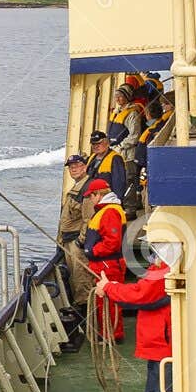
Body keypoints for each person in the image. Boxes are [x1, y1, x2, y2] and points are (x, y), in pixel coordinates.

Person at [95, 250, 173, 392]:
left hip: (165, 348)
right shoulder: (166, 264)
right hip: (159, 347)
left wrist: (108, 288)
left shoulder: (168, 266)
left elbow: (144, 293)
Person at [84, 177, 126, 340]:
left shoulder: (109, 212)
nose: (90, 199)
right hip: (105, 263)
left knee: (109, 300)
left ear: (98, 194)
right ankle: (109, 332)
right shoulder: (108, 210)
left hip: (107, 264)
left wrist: (93, 251)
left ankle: (112, 335)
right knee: (104, 300)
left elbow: (112, 242)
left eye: (91, 196)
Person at [57, 153, 94, 306]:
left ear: (85, 167)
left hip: (76, 242)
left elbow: (88, 219)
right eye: (71, 167)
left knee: (81, 281)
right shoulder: (76, 188)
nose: (74, 170)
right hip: (68, 241)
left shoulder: (86, 189)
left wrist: (80, 241)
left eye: (77, 166)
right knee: (75, 279)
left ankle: (86, 316)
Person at [86, 130, 128, 200]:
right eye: (93, 144)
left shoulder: (115, 158)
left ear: (107, 143)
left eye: (99, 143)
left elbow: (119, 184)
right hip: (92, 198)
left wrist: (116, 201)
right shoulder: (92, 157)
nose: (96, 146)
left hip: (107, 199)